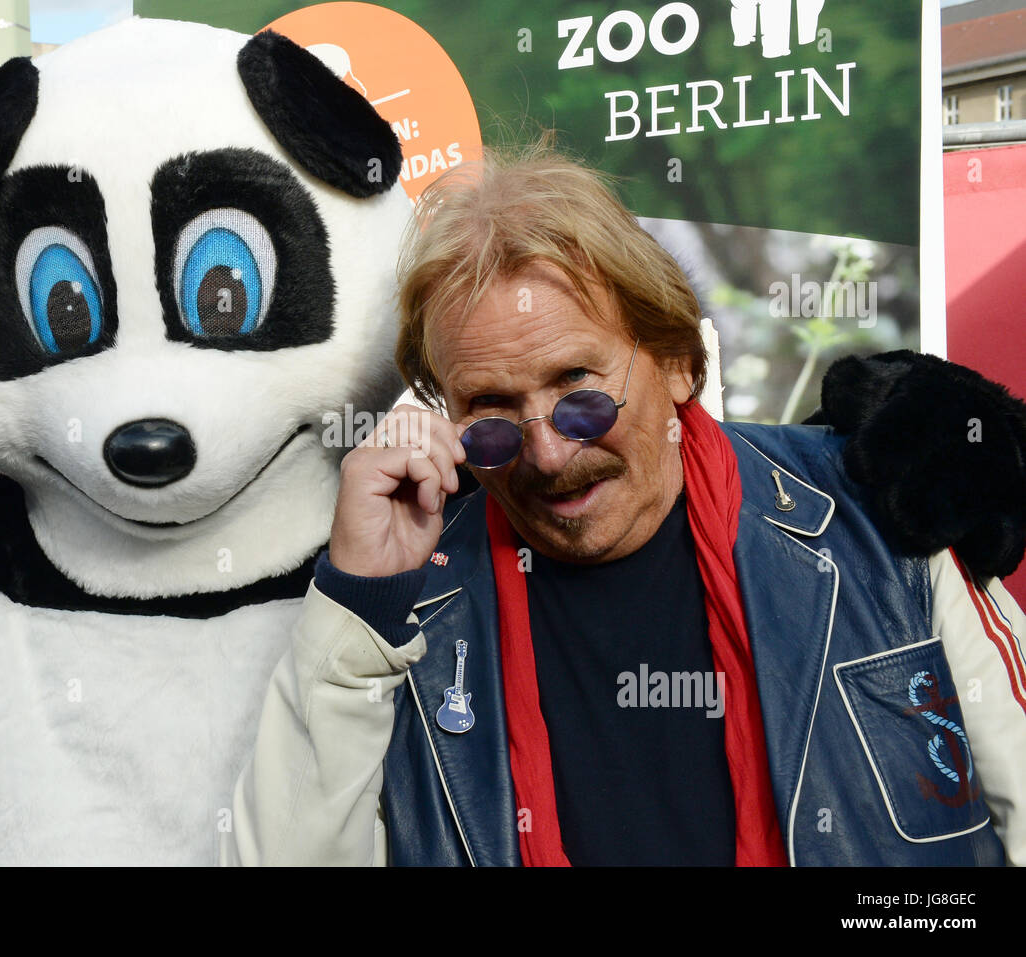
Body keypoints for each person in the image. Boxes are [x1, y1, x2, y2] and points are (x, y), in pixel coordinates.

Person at [221, 144, 1026, 866]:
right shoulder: (412, 595)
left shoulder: (880, 511)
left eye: (579, 391)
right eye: (492, 411)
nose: (546, 451)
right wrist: (359, 607)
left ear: (677, 361)